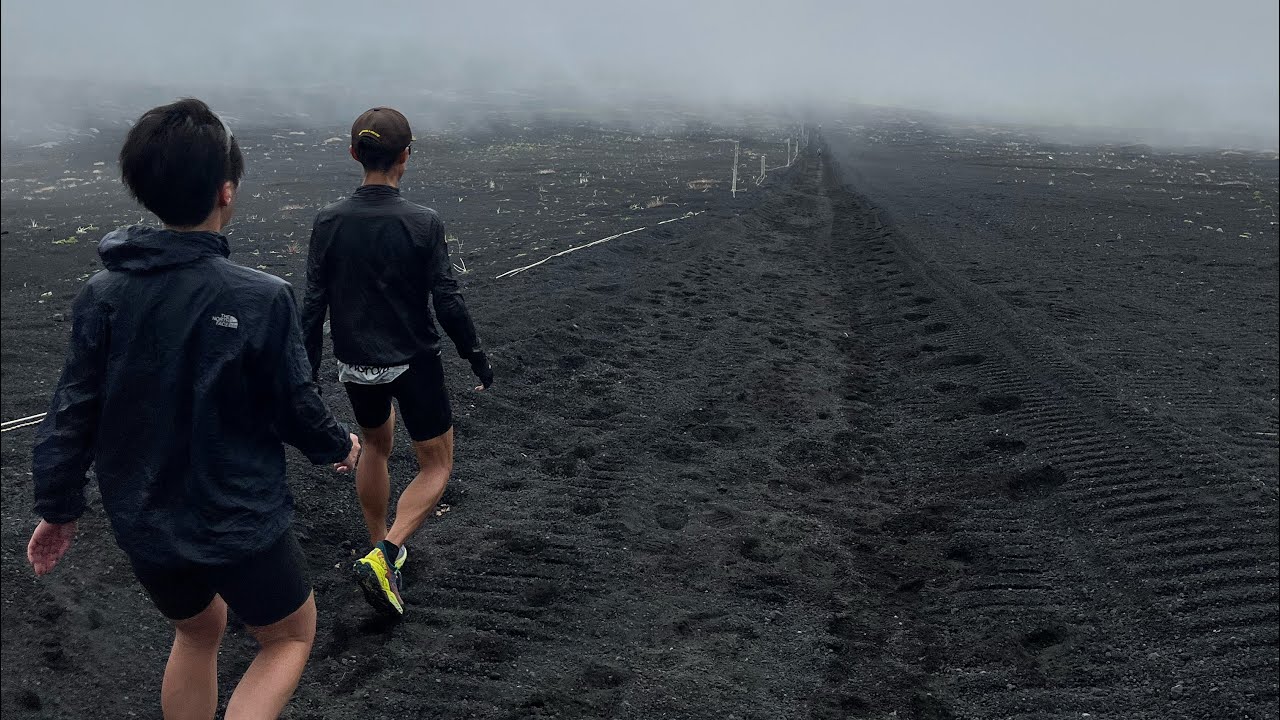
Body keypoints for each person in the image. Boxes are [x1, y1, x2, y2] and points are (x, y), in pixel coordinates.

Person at [27, 98, 361, 720]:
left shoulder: (103, 293)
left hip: (145, 521)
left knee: (196, 631)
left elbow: (72, 409)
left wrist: (58, 507)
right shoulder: (262, 298)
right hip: (237, 519)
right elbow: (293, 405)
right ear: (227, 191)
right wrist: (338, 446)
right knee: (288, 637)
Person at [301, 106, 492, 618]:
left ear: (353, 154)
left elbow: (312, 304)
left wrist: (307, 375)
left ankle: (377, 548)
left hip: (355, 363)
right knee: (437, 464)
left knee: (376, 450)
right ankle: (386, 555)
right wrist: (474, 355)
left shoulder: (328, 222)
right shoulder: (422, 223)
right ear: (406, 155)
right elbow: (447, 300)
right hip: (413, 362)